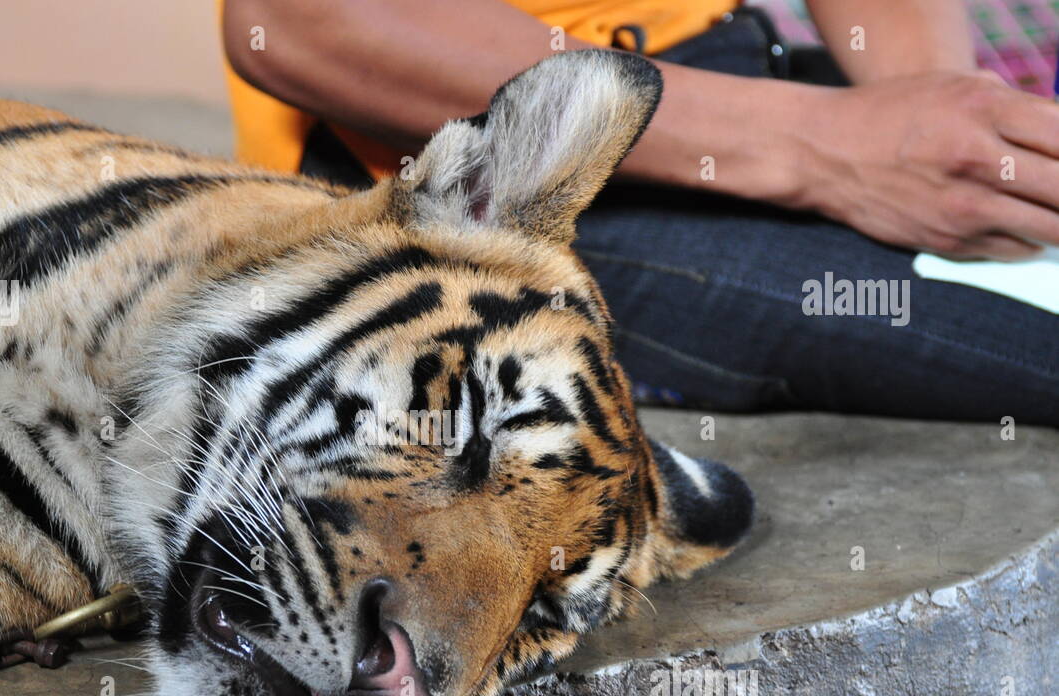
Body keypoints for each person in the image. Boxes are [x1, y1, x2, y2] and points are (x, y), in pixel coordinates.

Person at [219, 0, 1058, 425]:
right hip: (484, 174)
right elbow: (295, 19)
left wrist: (930, 124)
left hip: (722, 73)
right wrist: (828, 148)